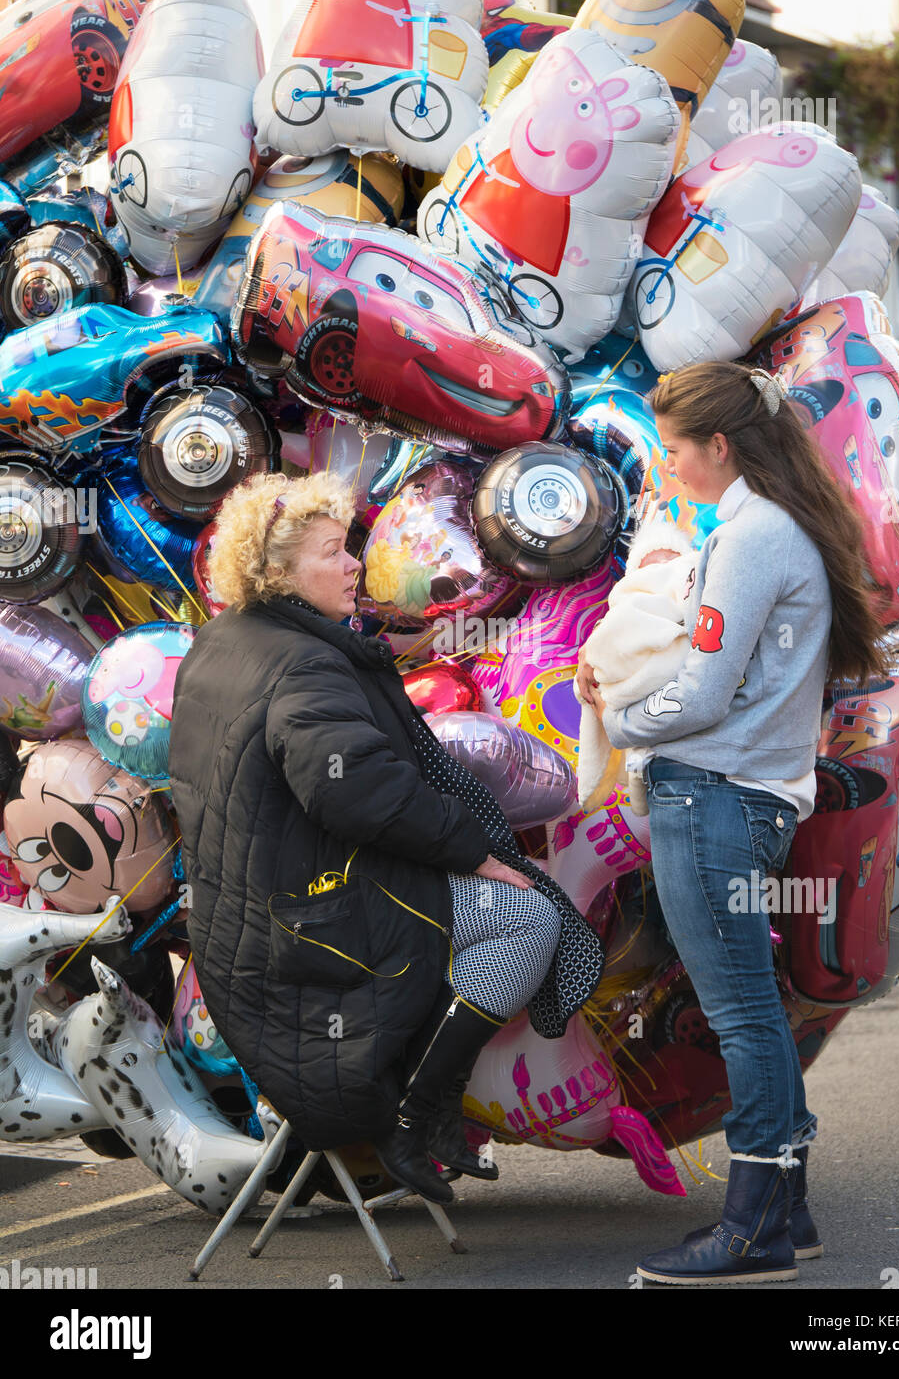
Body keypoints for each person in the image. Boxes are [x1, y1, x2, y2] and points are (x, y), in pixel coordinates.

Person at [169, 471, 603, 1206]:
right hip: (311, 927)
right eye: (334, 552)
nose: (353, 566)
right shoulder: (303, 660)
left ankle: (422, 1106)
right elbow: (353, 788)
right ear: (277, 572)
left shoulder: (222, 643)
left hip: (253, 921)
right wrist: (476, 853)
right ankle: (422, 1110)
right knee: (529, 918)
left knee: (508, 916)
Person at [576, 361, 889, 1285]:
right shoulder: (778, 526)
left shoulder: (752, 536)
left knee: (744, 1015)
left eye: (672, 452)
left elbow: (704, 691)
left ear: (719, 445)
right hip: (745, 796)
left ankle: (751, 1232)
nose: (666, 470)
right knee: (756, 1011)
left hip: (710, 792)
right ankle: (785, 1211)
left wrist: (618, 720)